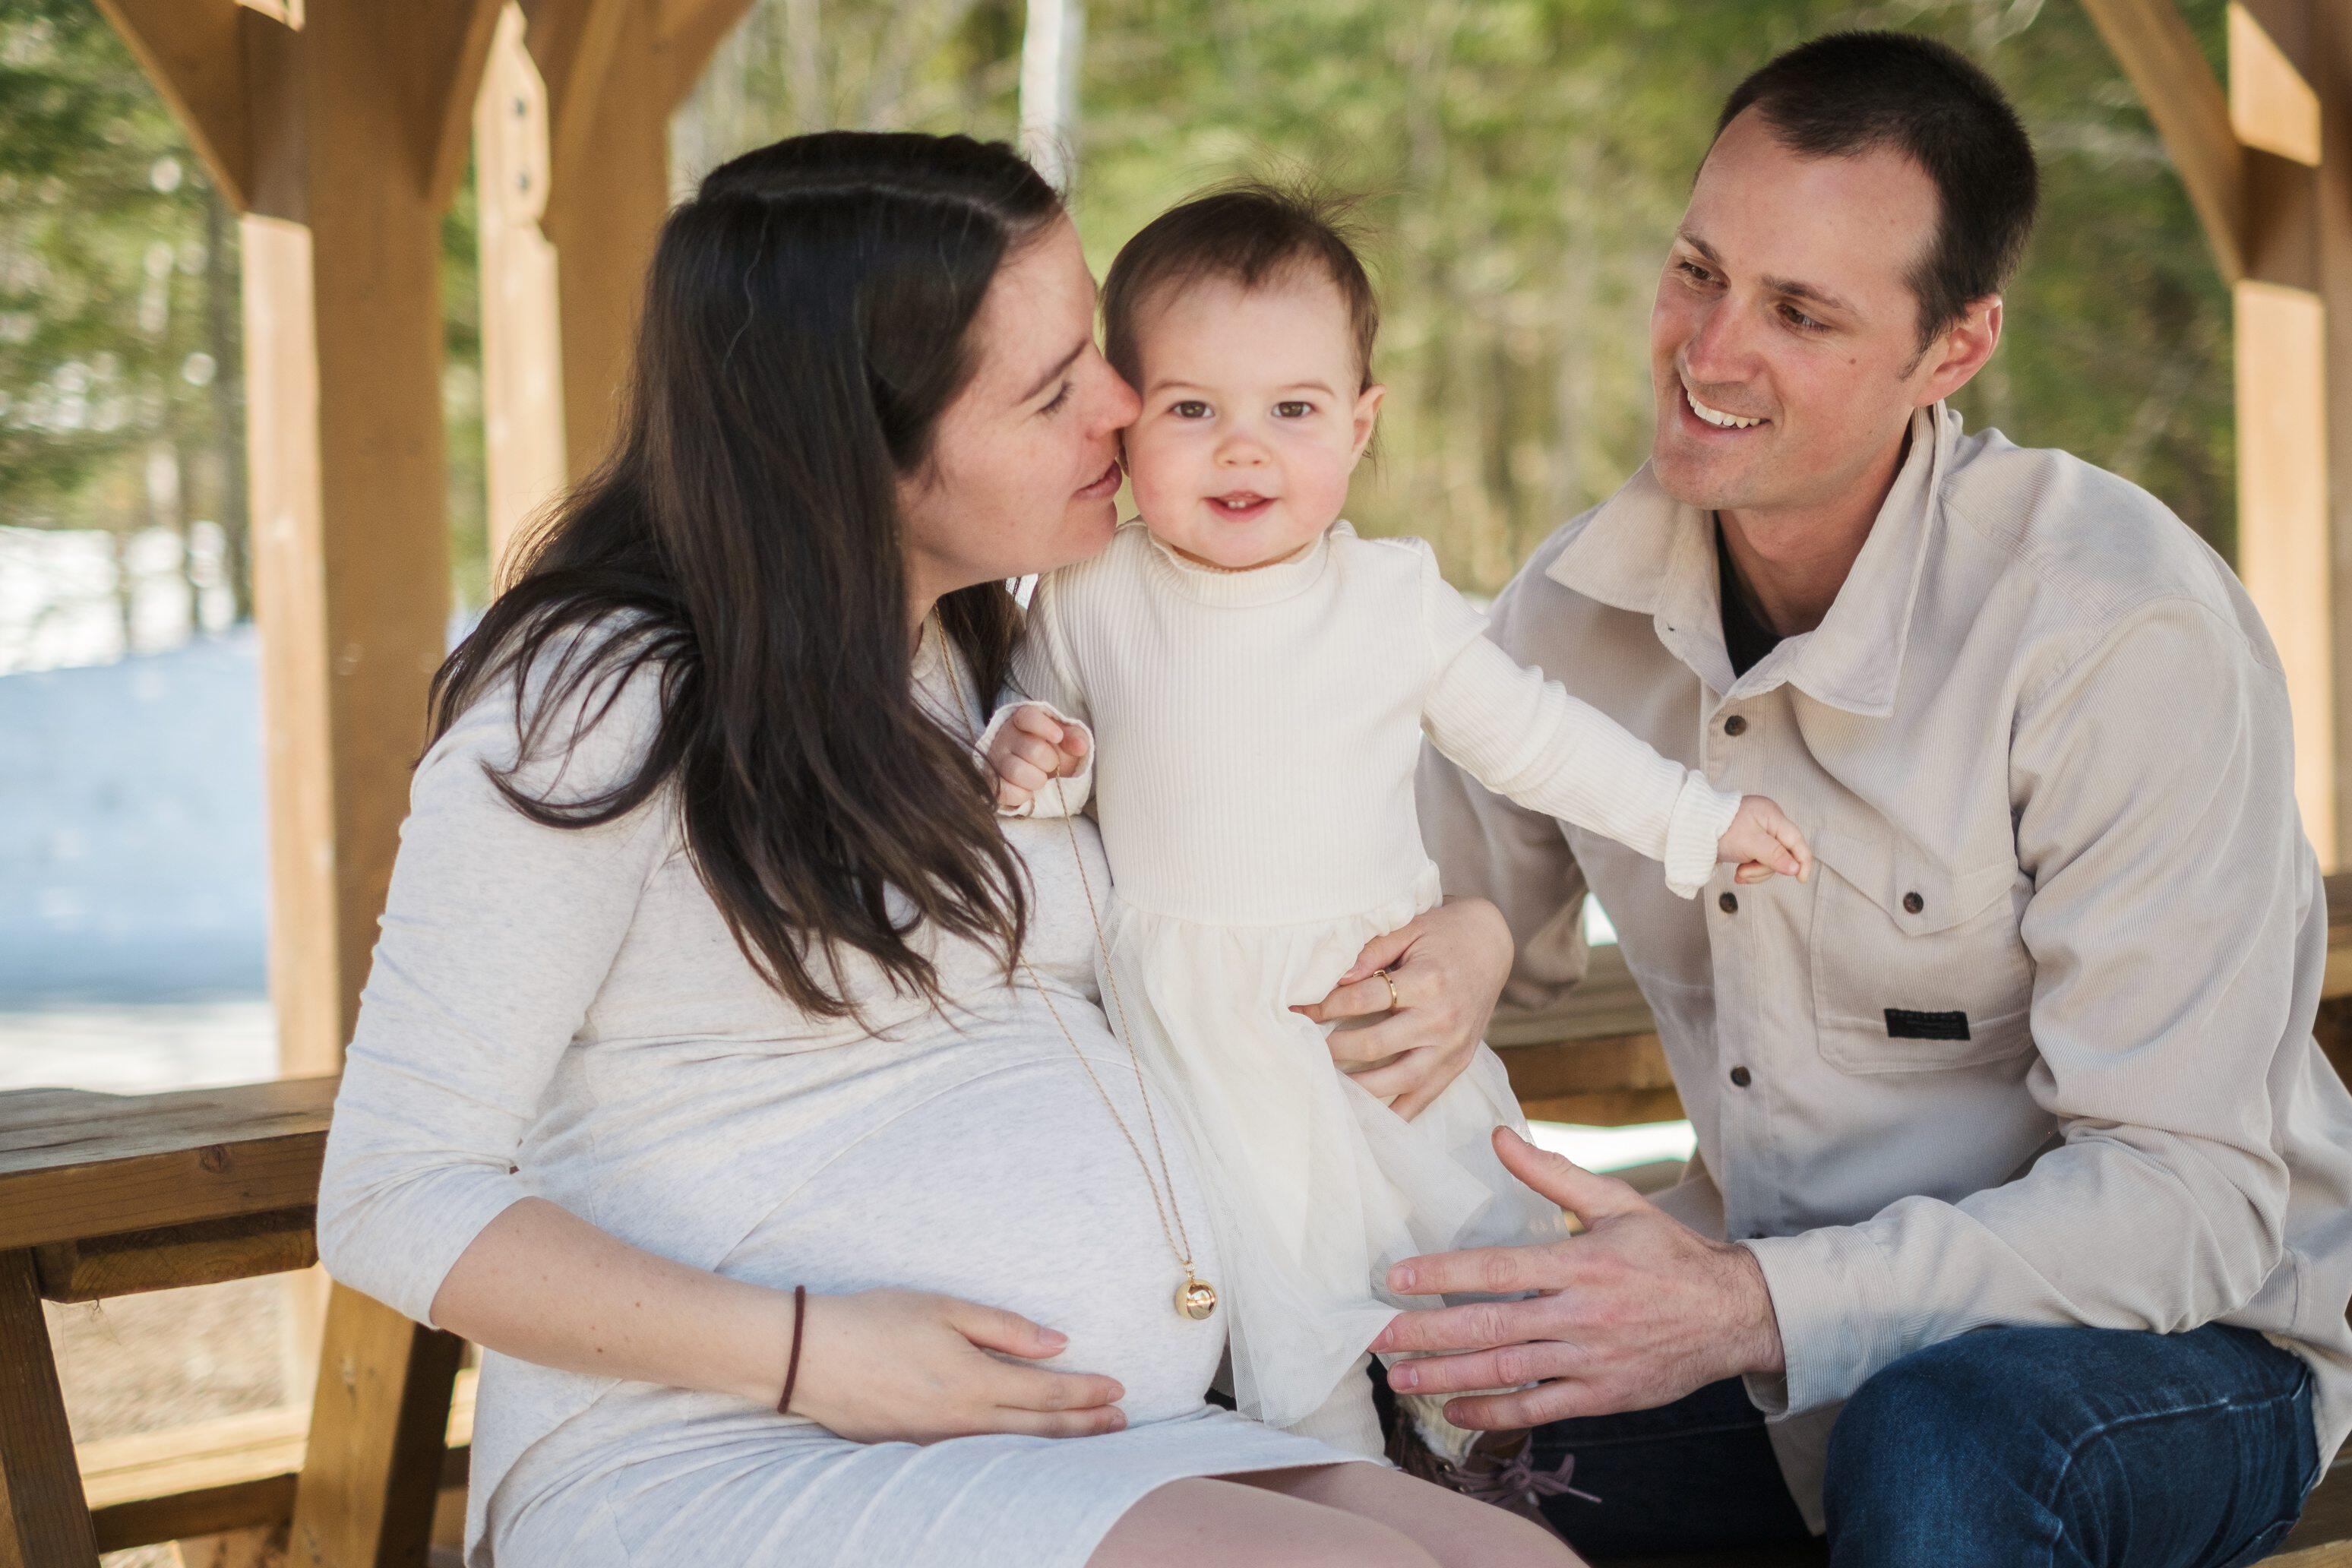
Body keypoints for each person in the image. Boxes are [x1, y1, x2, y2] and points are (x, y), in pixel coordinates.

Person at [311, 130, 1573, 1568]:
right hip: (721, 1444)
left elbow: (1245, 880)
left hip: (1081, 1438)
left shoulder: (991, 656)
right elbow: (392, 1193)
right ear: (856, 446)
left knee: (1513, 1563)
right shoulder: (601, 702)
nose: (1123, 402)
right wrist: (805, 1354)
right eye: (1051, 390)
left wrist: (1463, 936)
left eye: (1096, 346)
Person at [1377, 30, 2352, 1567]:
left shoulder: (2113, 622)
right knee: (1451, 1456)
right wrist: (1464, 950)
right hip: (1762, 1322)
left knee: (1946, 1441)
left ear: (1952, 353)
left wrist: (1752, 1306)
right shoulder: (1564, 617)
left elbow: (2189, 1206)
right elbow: (1443, 919)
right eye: (1698, 270)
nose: (1709, 348)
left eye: (1801, 313)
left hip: (2186, 1352)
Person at [978, 182, 1809, 1465]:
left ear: (1360, 426)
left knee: (1457, 1290)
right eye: (1194, 411)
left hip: (1369, 1019)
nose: (1243, 450)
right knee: (1284, 1343)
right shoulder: (1093, 588)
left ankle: (1483, 1482)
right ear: (1124, 422)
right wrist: (1027, 755)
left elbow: (1543, 740)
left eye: (1292, 412)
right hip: (1187, 1041)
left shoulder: (1390, 600)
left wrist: (1697, 818)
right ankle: (1345, 1494)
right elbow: (1045, 747)